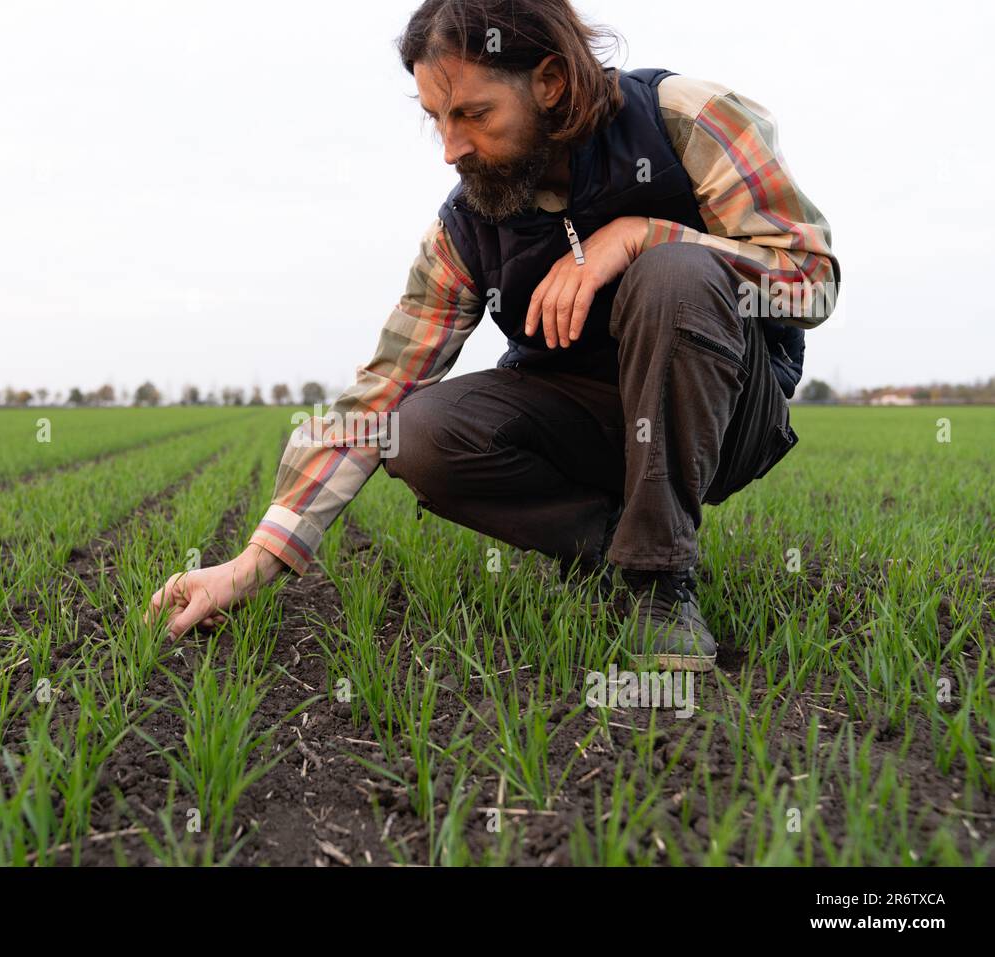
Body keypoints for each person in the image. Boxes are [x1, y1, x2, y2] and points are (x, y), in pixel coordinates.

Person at [148, 0, 839, 671]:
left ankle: (659, 580)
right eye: (436, 119)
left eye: (473, 114)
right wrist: (251, 564)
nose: (450, 149)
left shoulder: (684, 119)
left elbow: (811, 281)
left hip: (726, 413)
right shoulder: (467, 226)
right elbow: (381, 393)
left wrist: (640, 236)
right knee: (415, 430)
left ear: (550, 82)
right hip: (588, 427)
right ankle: (610, 546)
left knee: (675, 274)